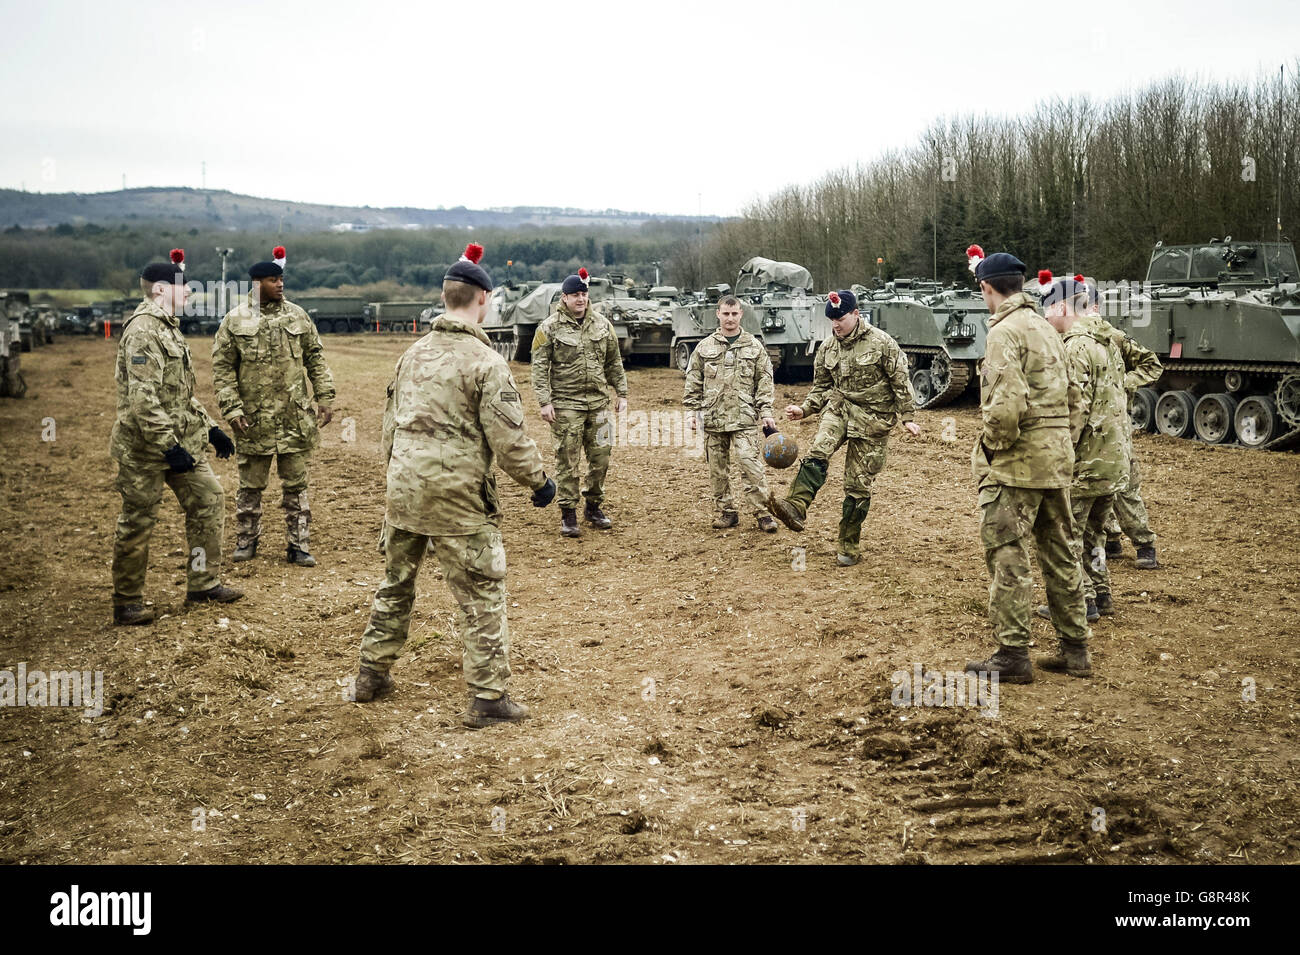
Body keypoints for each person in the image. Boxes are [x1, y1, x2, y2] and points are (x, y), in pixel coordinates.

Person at [352, 244, 556, 728]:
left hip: (404, 492)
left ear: (445, 298)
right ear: (482, 299)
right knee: (481, 593)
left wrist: (398, 476)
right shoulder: (486, 363)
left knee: (396, 585)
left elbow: (388, 428)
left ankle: (369, 675)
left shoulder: (410, 356)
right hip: (459, 500)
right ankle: (488, 698)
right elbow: (508, 440)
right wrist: (541, 482)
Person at [962, 248, 1089, 681]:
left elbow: (1006, 405)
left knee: (1007, 555)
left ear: (987, 288)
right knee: (1060, 554)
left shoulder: (1004, 331)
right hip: (1056, 461)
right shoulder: (1046, 327)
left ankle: (1013, 656)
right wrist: (1061, 443)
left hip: (1016, 467)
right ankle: (1076, 650)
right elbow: (1076, 397)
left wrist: (993, 450)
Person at [110, 250, 242, 624]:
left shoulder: (168, 327)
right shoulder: (143, 331)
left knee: (208, 499)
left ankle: (203, 583)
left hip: (179, 444)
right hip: (144, 449)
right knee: (138, 521)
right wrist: (168, 446)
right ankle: (127, 602)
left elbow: (177, 395)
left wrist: (211, 427)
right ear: (160, 291)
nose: (189, 294)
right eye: (183, 288)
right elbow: (143, 400)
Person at [768, 289, 920, 565]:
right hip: (839, 409)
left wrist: (908, 416)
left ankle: (848, 544)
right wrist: (804, 409)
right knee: (818, 451)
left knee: (858, 484)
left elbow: (900, 381)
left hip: (875, 418)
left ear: (855, 315)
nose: (836, 324)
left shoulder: (882, 343)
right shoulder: (828, 347)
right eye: (831, 320)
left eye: (840, 318)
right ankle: (796, 506)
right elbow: (822, 387)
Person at [212, 246, 336, 567]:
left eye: (281, 279)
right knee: (250, 486)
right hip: (253, 421)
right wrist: (232, 409)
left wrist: (324, 396)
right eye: (272, 279)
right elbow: (223, 369)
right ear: (256, 283)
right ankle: (246, 542)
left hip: (294, 418)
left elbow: (315, 358)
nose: (280, 284)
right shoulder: (235, 321)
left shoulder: (297, 316)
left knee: (297, 487)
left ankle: (299, 546)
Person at [1036, 273, 1127, 624]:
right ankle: (1101, 593)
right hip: (1113, 461)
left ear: (1061, 306)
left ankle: (1080, 601)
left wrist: (1058, 459)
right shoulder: (1107, 342)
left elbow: (1074, 411)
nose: (1045, 318)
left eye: (1047, 310)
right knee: (1095, 536)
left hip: (1085, 463)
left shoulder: (1074, 347)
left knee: (1065, 535)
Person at [530, 268, 628, 537]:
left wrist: (621, 393)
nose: (580, 299)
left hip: (598, 404)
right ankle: (568, 513)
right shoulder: (549, 328)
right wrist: (544, 402)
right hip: (566, 405)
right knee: (567, 461)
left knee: (601, 460)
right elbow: (539, 368)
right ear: (564, 298)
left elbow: (614, 362)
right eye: (575, 295)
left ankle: (593, 506)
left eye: (583, 294)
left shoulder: (602, 325)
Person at [1078, 278, 1164, 569]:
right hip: (1093, 427)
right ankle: (1111, 539)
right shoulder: (1076, 340)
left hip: (1116, 426)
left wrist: (1122, 383)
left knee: (1125, 486)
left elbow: (1151, 364)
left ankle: (1144, 544)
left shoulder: (1114, 337)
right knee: (1099, 489)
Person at [682, 296, 779, 532]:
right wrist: (692, 411)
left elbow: (765, 382)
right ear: (718, 314)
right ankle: (727, 512)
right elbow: (693, 381)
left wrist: (766, 411)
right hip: (713, 418)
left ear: (741, 315)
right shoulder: (705, 347)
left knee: (750, 465)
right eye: (725, 314)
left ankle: (763, 513)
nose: (730, 318)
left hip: (744, 418)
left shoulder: (753, 347)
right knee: (717, 469)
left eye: (734, 314)